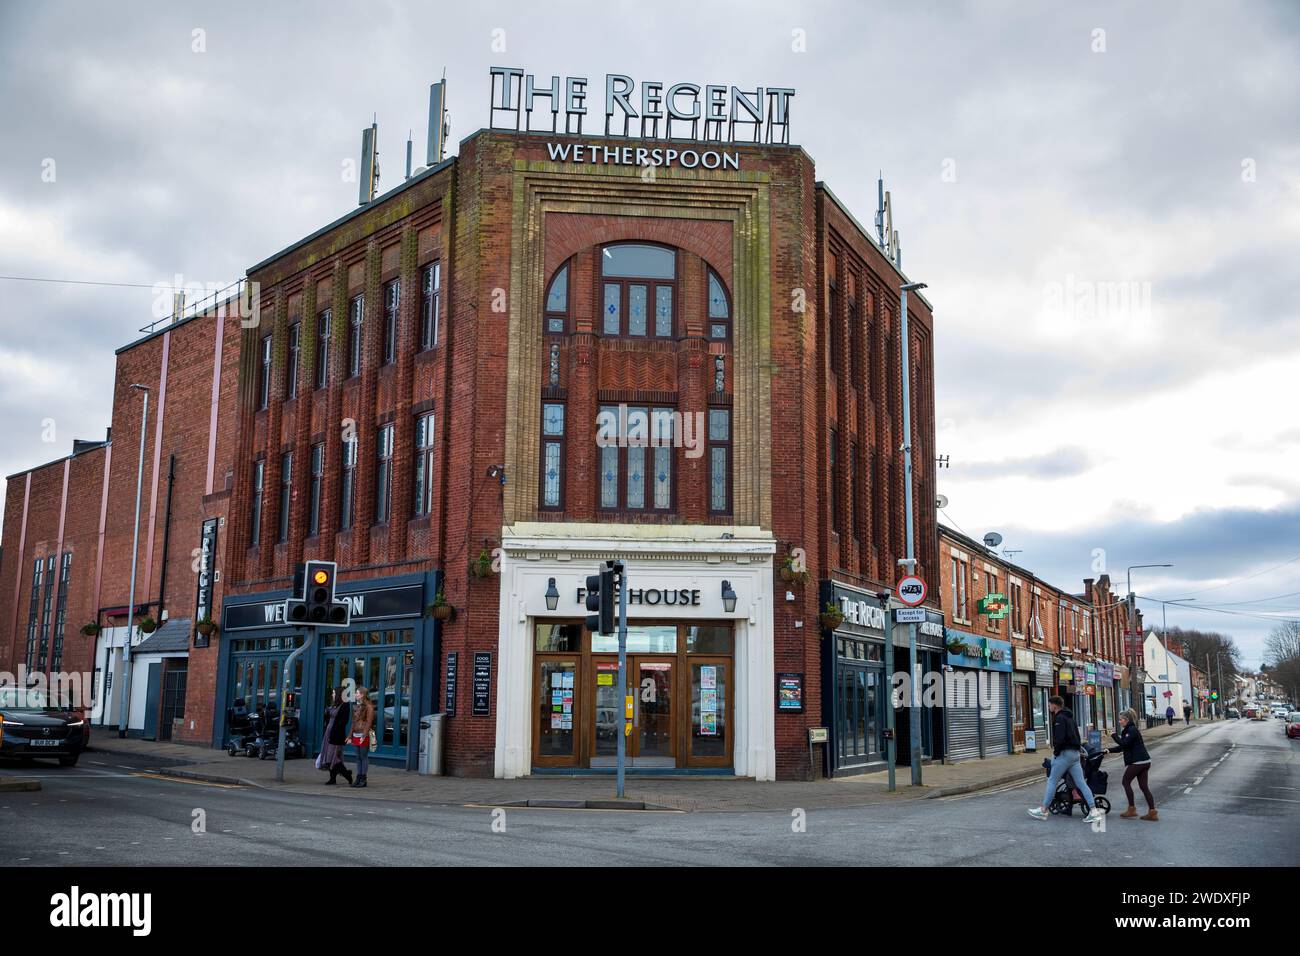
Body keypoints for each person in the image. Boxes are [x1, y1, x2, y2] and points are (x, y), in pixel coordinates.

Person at [1029, 696, 1106, 824]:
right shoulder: (1070, 717)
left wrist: (1056, 752)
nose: (1049, 707)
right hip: (1075, 754)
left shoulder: (1059, 718)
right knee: (1081, 783)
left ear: (1054, 705)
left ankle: (1043, 810)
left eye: (1049, 705)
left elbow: (1059, 738)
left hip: (1064, 754)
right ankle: (1093, 811)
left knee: (1052, 780)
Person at [1109, 708, 1157, 820]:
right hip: (1145, 761)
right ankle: (1152, 811)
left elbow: (1124, 744)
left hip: (1138, 761)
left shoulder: (1131, 730)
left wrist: (1114, 735)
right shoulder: (1130, 730)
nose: (1119, 722)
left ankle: (1132, 809)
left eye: (1120, 720)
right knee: (1144, 787)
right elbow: (1123, 746)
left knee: (1125, 782)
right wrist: (1109, 750)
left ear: (1126, 720)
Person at [320, 686, 353, 786]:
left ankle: (347, 774)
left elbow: (343, 722)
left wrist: (333, 731)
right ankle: (332, 778)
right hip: (329, 732)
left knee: (334, 757)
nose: (332, 694)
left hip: (336, 735)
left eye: (334, 693)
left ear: (339, 694)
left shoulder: (345, 706)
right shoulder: (334, 704)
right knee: (330, 757)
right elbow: (329, 717)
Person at [349, 686, 376, 788]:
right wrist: (350, 735)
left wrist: (364, 735)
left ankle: (363, 779)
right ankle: (358, 777)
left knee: (363, 756)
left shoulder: (369, 706)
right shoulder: (356, 706)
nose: (355, 694)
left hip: (363, 734)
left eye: (357, 693)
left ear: (362, 694)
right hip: (356, 733)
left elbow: (369, 722)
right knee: (357, 757)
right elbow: (353, 721)